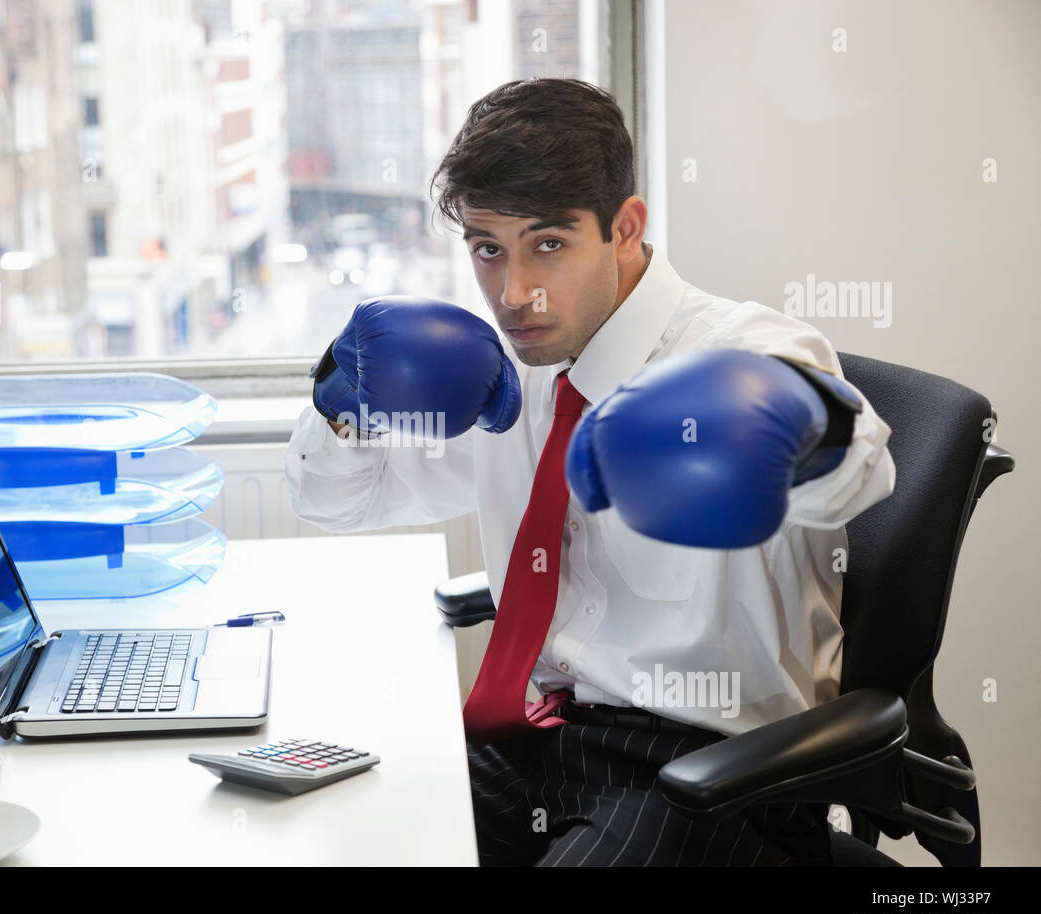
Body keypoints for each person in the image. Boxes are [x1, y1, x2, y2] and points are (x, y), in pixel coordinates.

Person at [284, 78, 895, 866]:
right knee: (338, 841)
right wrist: (342, 390)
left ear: (625, 228)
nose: (514, 293)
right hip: (539, 746)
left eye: (548, 244)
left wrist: (783, 421)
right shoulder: (506, 377)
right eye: (486, 248)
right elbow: (334, 503)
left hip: (711, 779)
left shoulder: (744, 350)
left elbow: (864, 472)